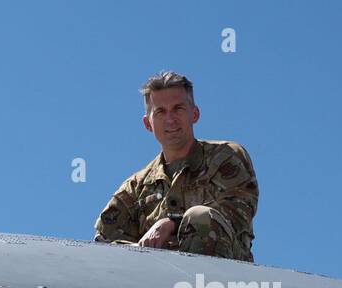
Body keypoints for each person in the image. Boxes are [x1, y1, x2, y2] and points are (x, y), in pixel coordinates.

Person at [94, 71, 258, 262]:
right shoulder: (136, 187)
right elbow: (104, 239)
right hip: (158, 280)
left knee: (200, 217)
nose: (170, 119)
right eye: (160, 112)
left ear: (194, 114)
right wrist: (143, 251)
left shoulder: (226, 157)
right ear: (148, 123)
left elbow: (239, 211)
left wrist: (172, 224)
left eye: (178, 109)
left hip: (222, 275)